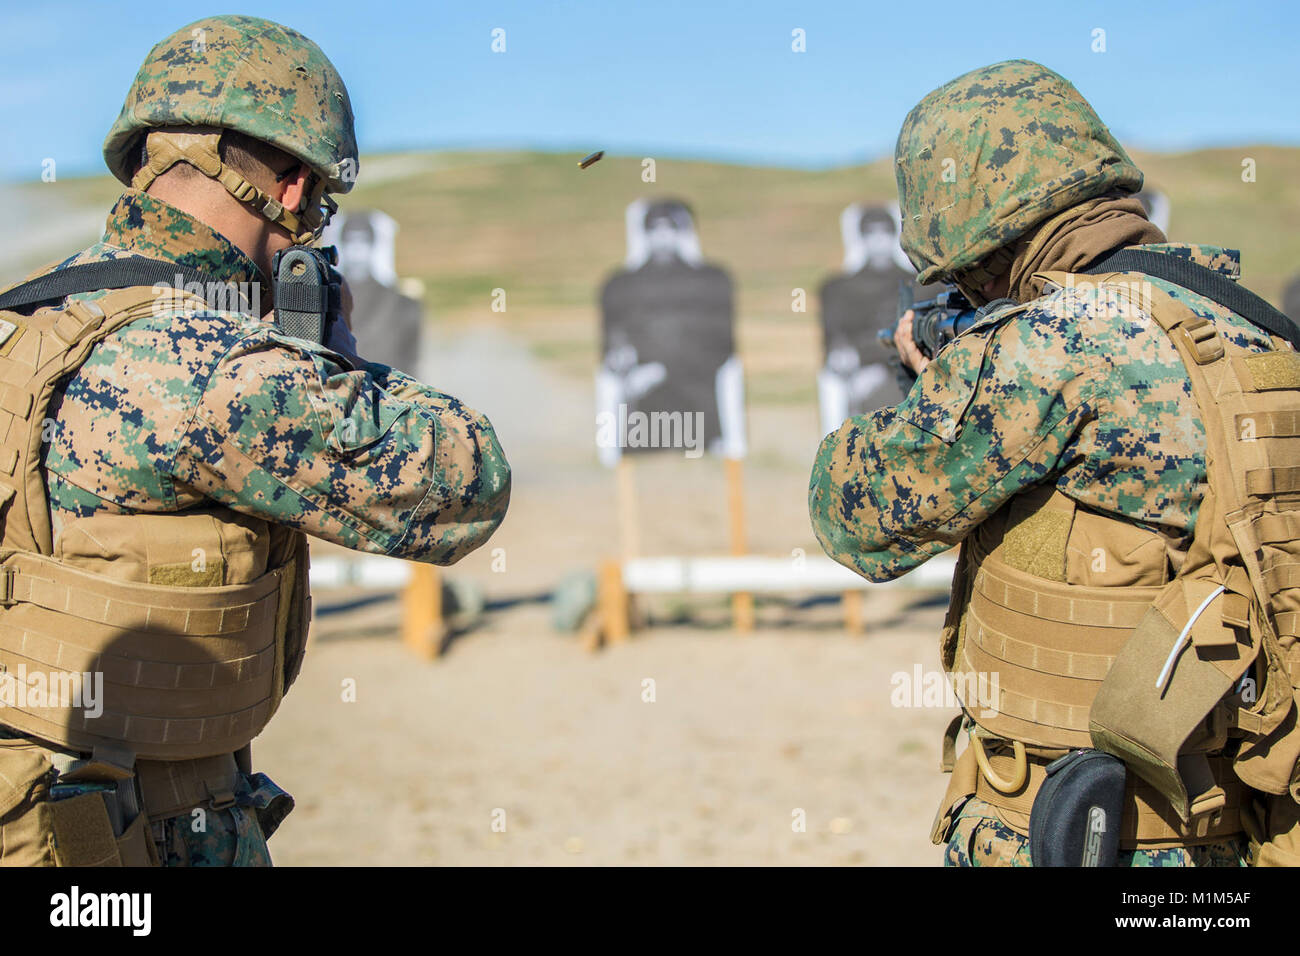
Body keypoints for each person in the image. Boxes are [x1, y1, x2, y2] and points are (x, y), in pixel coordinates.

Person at [0, 15, 510, 866]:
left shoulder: (23, 326)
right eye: (320, 201)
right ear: (293, 186)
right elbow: (467, 483)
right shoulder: (213, 367)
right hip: (136, 835)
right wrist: (342, 362)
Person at [809, 59, 1300, 866]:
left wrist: (938, 381)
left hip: (1075, 829)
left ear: (982, 233)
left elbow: (853, 518)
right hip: (1239, 826)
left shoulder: (1047, 347)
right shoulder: (1259, 334)